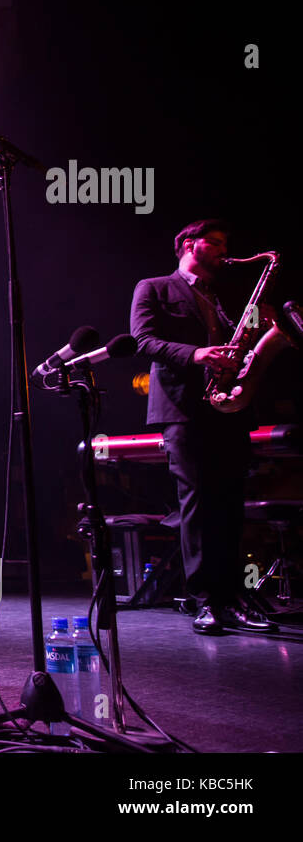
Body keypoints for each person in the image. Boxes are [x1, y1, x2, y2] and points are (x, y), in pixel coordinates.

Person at [130, 219, 273, 635]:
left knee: (229, 504)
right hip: (182, 409)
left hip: (227, 407)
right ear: (190, 244)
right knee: (197, 505)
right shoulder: (154, 287)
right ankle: (205, 600)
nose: (226, 251)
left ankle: (233, 597)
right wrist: (198, 355)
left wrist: (254, 333)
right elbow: (143, 340)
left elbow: (239, 349)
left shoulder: (219, 295)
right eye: (217, 243)